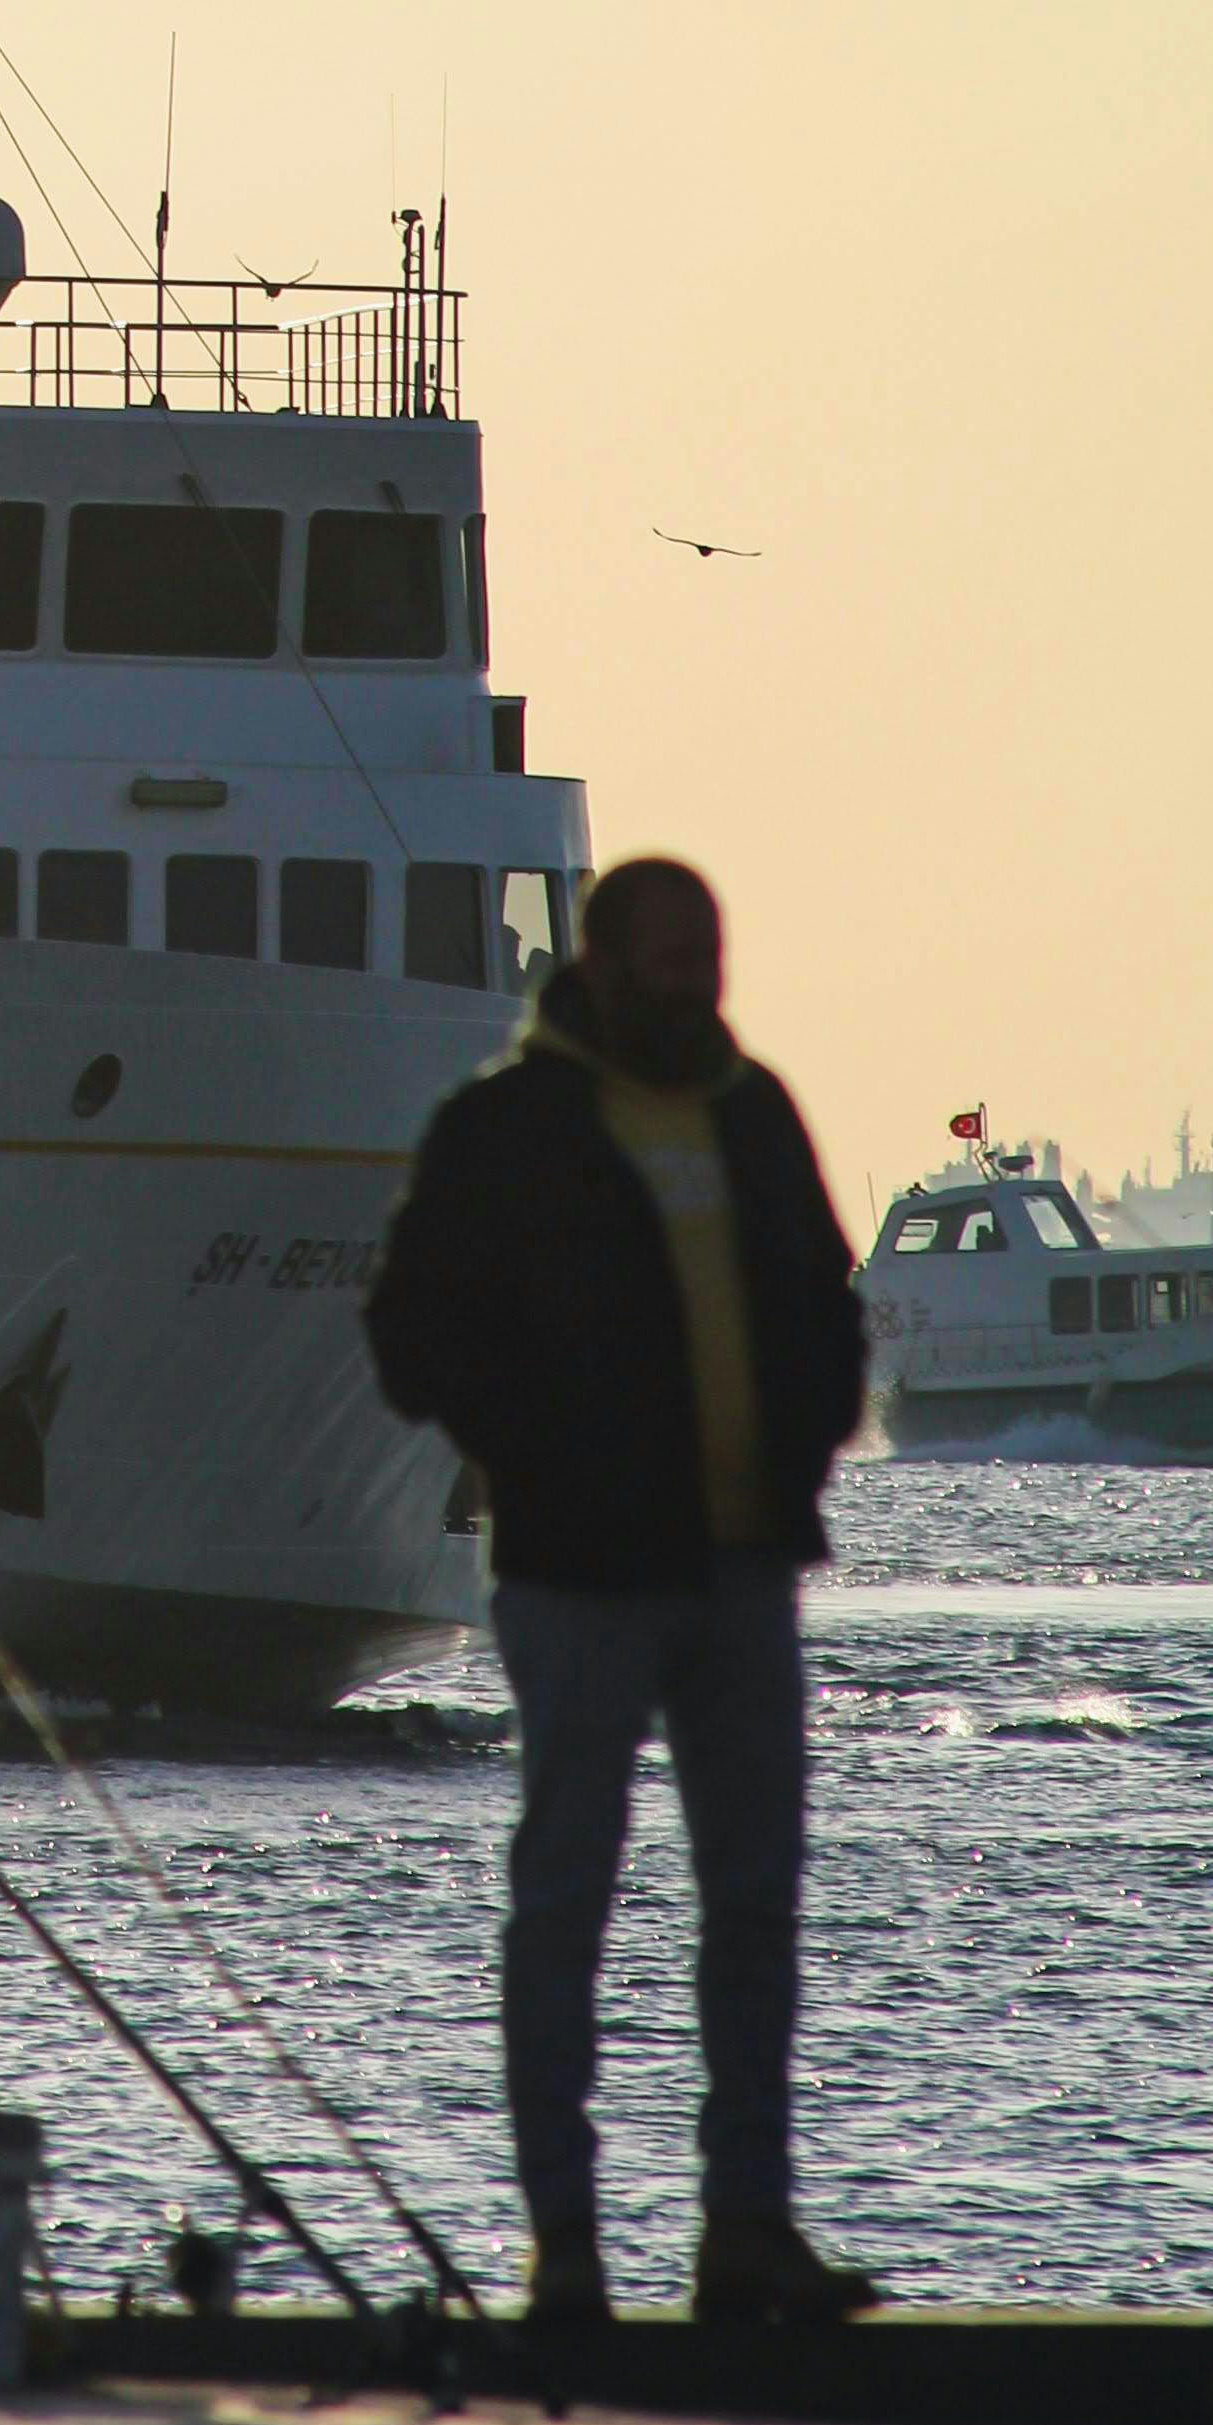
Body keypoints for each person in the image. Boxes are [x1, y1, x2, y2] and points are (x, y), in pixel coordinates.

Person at [365, 852, 873, 2330]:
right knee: (566, 1903)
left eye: (710, 957)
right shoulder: (506, 1127)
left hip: (744, 1569)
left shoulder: (753, 1111)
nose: (697, 986)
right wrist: (529, 1450)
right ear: (599, 964)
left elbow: (824, 1298)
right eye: (670, 961)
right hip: (579, 1578)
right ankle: (566, 2245)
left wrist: (810, 1436)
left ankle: (748, 2235)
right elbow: (410, 1331)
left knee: (756, 1903)